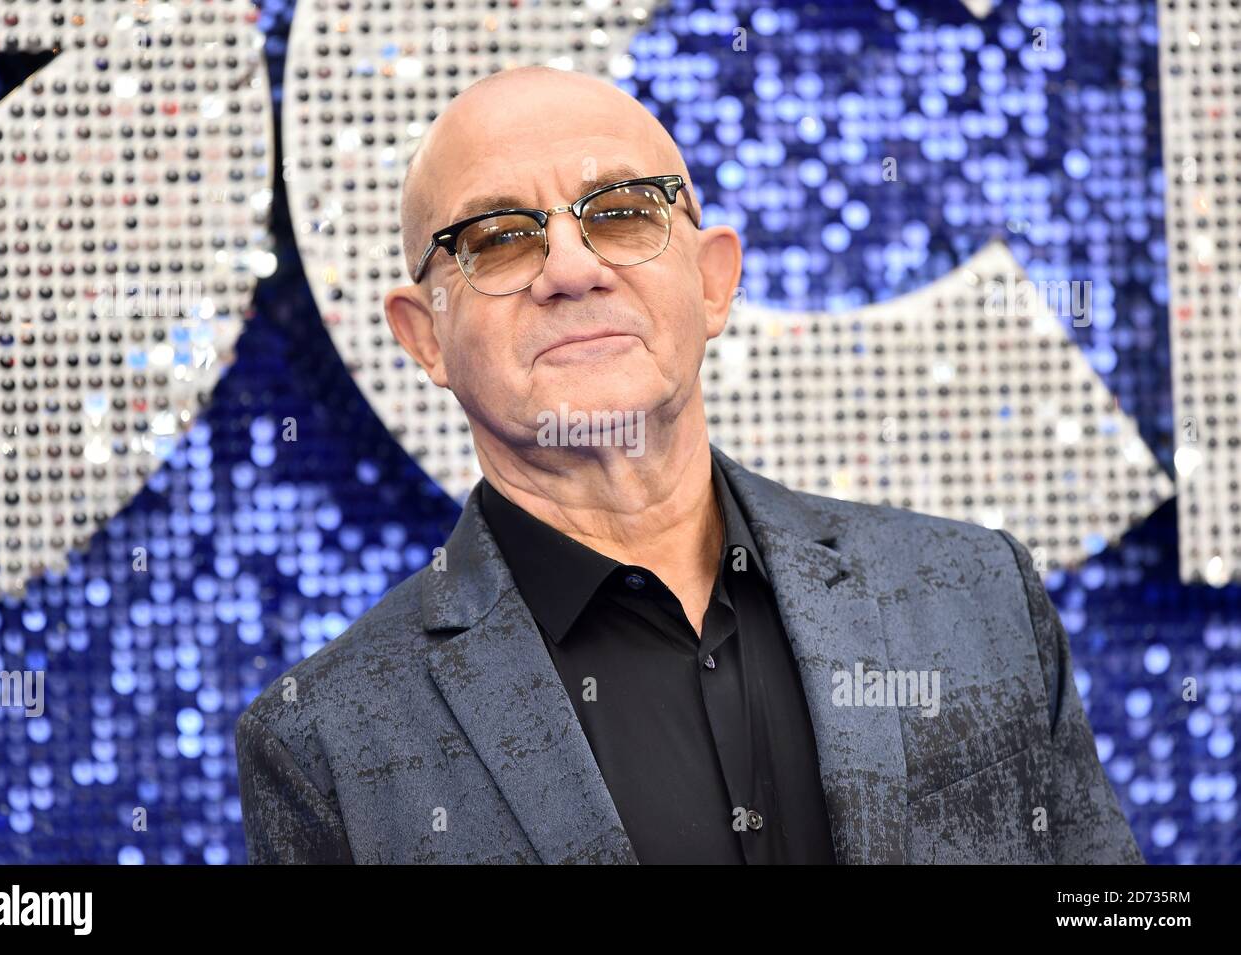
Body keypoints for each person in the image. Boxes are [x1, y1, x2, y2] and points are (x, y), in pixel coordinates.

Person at [235, 66, 1144, 864]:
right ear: (424, 335)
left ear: (713, 282)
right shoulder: (326, 742)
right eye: (499, 237)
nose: (569, 267)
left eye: (622, 213)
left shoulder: (976, 594)